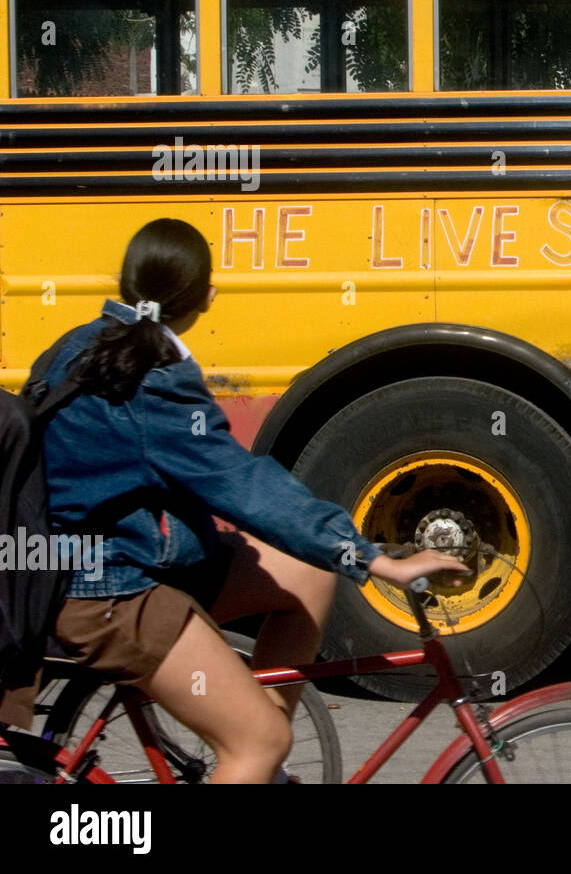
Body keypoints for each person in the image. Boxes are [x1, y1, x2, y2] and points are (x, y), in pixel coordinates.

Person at [28, 218, 467, 782]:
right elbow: (243, 484)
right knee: (258, 741)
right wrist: (377, 561)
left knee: (307, 573)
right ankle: (254, 755)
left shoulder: (81, 343)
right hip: (108, 588)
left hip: (103, 559)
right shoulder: (151, 374)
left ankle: (263, 766)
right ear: (207, 296)